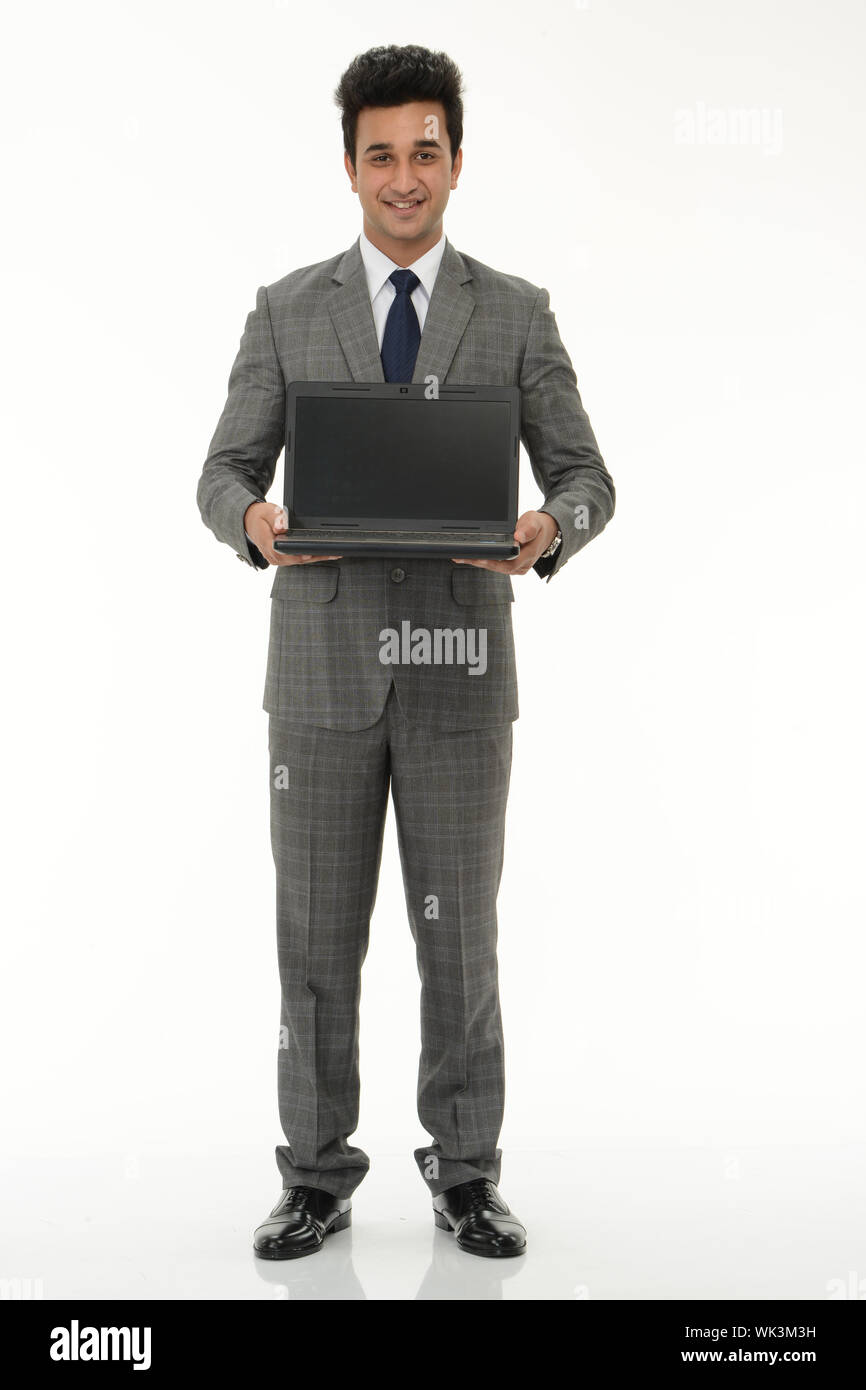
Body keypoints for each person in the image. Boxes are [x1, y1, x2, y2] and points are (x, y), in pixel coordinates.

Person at [197, 43, 615, 1261]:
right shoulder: (285, 309)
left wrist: (547, 529)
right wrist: (252, 521)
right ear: (348, 166)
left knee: (460, 940)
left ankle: (467, 1172)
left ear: (456, 160)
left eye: (423, 151)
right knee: (316, 943)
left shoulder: (516, 311)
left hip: (460, 677)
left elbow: (587, 476)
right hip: (320, 683)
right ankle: (315, 1176)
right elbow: (221, 472)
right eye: (378, 153)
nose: (402, 175)